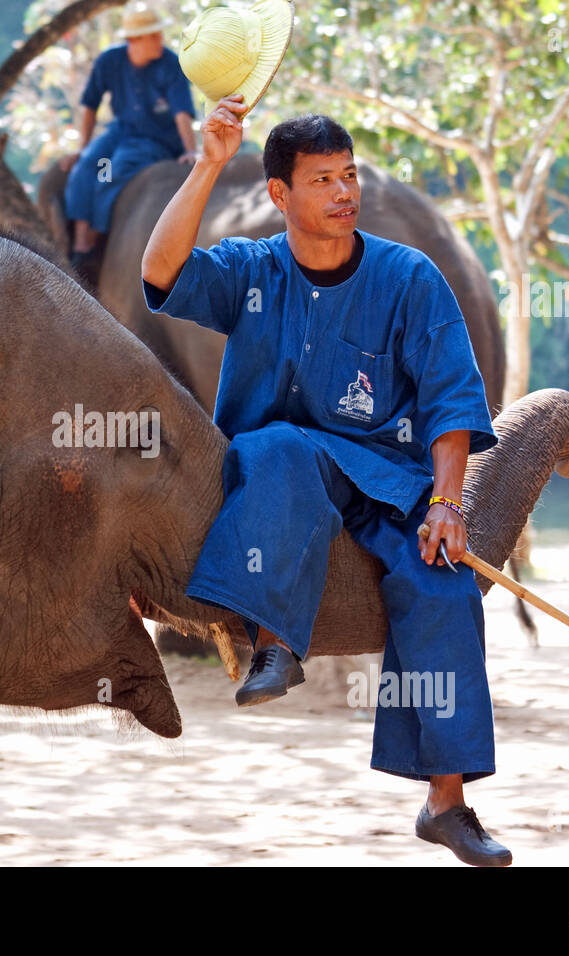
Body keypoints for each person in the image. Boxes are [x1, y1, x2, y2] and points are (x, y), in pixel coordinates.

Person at [140, 95, 512, 867]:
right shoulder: (248, 269)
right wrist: (210, 161)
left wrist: (447, 502)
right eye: (323, 180)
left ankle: (447, 803)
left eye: (350, 176)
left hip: (385, 477)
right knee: (276, 445)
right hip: (282, 474)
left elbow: (450, 398)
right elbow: (161, 271)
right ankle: (273, 643)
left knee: (442, 588)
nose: (345, 193)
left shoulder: (409, 277)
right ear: (280, 195)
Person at [61, 2, 198, 277]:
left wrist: (191, 151)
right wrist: (82, 147)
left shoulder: (171, 64)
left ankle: (99, 238)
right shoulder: (110, 61)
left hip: (156, 139)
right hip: (121, 129)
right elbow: (90, 105)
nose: (160, 40)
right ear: (134, 40)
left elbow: (183, 113)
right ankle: (80, 243)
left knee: (118, 167)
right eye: (153, 35)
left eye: (160, 34)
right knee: (88, 165)